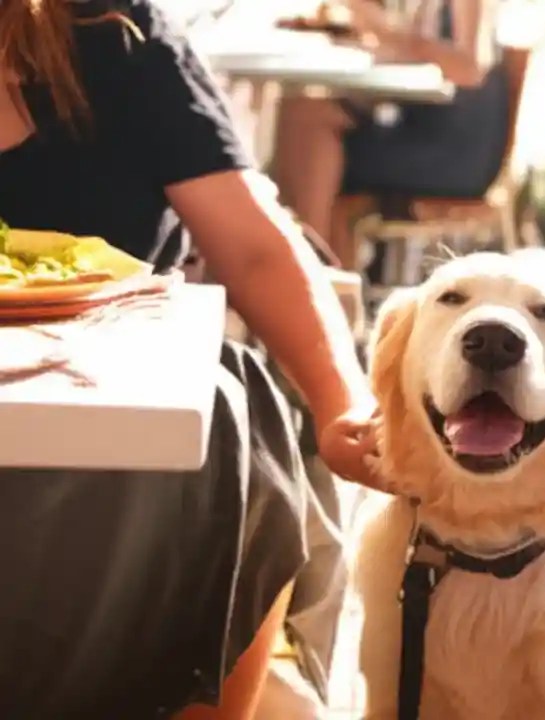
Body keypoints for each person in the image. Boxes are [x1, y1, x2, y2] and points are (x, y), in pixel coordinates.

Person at [0, 0, 382, 717]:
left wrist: (344, 407)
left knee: (232, 404)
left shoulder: (110, 31)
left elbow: (256, 249)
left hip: (121, 438)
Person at [270, 0, 509, 270]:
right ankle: (321, 274)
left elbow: (469, 68)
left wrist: (384, 29)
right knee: (309, 114)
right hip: (420, 131)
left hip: (455, 152)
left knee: (311, 129)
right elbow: (412, 56)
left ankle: (308, 267)